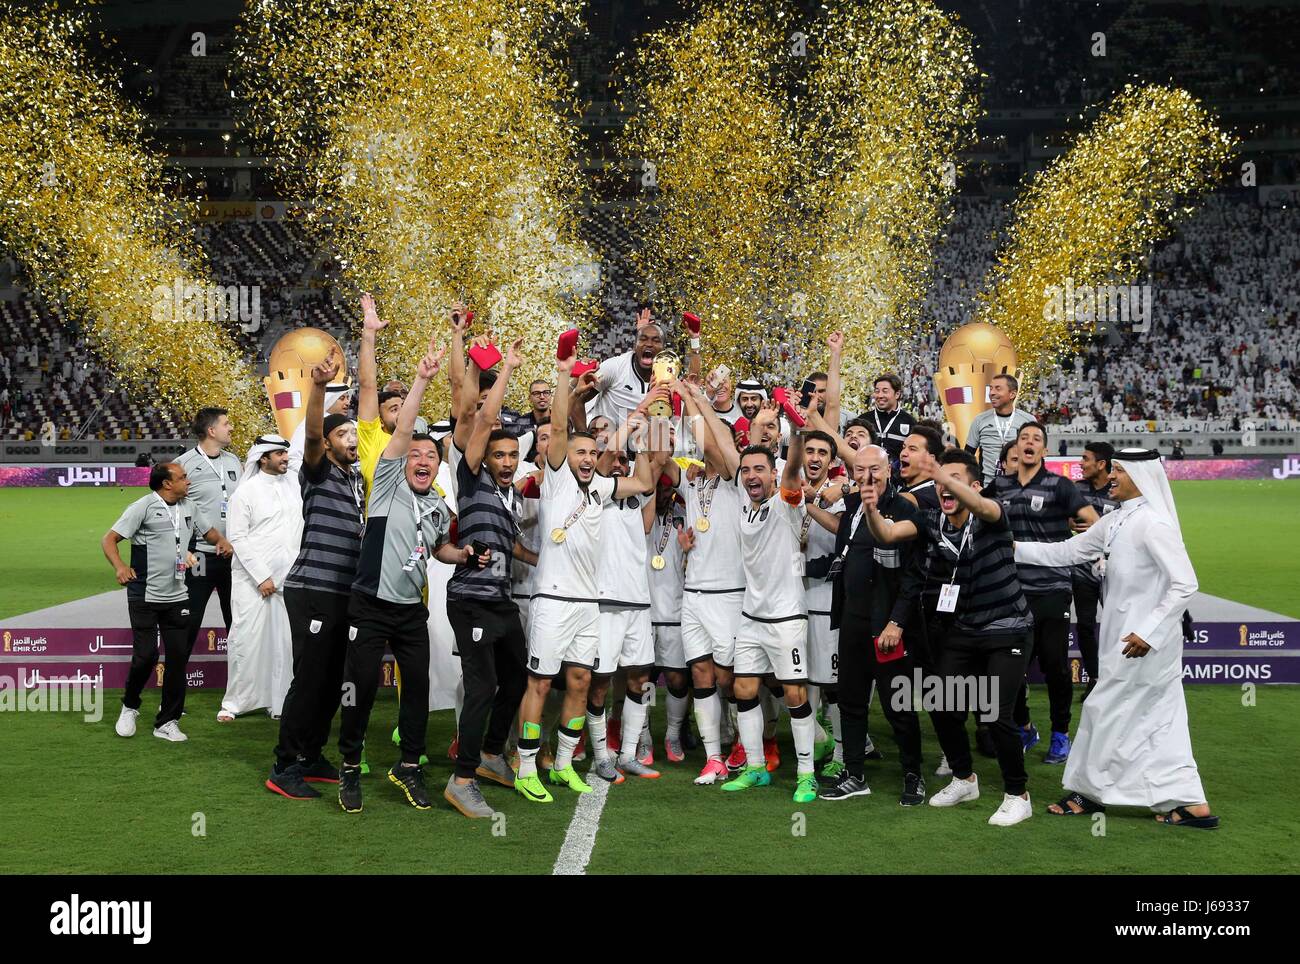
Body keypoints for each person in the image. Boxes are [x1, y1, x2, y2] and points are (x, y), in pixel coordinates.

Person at [1015, 449, 1217, 828]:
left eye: (1119, 471)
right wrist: (1014, 548)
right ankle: (1190, 802)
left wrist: (1150, 632)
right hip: (1130, 640)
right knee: (1162, 719)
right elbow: (1068, 552)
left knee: (1101, 708)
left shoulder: (1153, 524)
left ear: (1140, 477)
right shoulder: (1119, 520)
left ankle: (1088, 793)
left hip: (1142, 644)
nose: (1111, 477)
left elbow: (1185, 583)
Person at [337, 337, 475, 813]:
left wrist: (464, 556)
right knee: (361, 687)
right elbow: (399, 439)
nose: (422, 460)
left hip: (411, 611)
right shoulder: (388, 484)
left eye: (430, 457)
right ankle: (350, 765)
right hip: (370, 605)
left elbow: (438, 550)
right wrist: (421, 381)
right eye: (415, 454)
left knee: (416, 688)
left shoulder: (437, 502)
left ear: (438, 467)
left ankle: (408, 766)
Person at [866, 449, 1036, 827]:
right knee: (940, 703)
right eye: (942, 481)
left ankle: (1018, 795)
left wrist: (940, 475)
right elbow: (890, 533)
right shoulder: (931, 521)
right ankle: (964, 778)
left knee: (996, 713)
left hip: (1008, 628)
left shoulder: (992, 515)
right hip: (964, 630)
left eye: (956, 480)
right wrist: (870, 510)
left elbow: (983, 507)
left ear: (974, 487)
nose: (945, 487)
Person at [514, 347, 655, 804]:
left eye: (593, 452)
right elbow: (558, 427)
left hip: (587, 604)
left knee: (579, 682)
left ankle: (562, 765)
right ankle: (525, 766)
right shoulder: (553, 478)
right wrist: (562, 374)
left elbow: (646, 482)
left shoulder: (602, 487)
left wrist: (652, 419)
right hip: (553, 600)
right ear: (564, 455)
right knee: (538, 683)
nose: (589, 457)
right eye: (581, 451)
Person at [267, 351, 364, 800]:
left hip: (343, 593)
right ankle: (284, 766)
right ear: (327, 445)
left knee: (330, 681)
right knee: (308, 680)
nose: (351, 439)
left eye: (353, 433)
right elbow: (310, 434)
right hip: (313, 590)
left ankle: (311, 754)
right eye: (342, 433)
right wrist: (321, 389)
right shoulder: (319, 472)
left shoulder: (354, 481)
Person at [809, 445, 927, 805]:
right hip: (853, 622)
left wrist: (896, 622)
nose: (867, 477)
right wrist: (805, 504)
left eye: (874, 469)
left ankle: (913, 775)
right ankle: (855, 774)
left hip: (887, 628)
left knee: (898, 706)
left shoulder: (904, 508)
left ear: (888, 470)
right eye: (859, 471)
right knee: (851, 702)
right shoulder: (853, 509)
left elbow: (913, 576)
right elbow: (843, 548)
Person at [444, 337, 531, 819]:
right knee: (481, 688)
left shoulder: (508, 494)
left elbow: (507, 547)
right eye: (499, 455)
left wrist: (538, 557)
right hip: (471, 599)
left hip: (500, 599)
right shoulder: (471, 476)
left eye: (512, 456)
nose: (506, 462)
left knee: (515, 678)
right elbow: (477, 421)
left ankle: (494, 753)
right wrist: (507, 371)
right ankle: (462, 779)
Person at [722, 434, 821, 804]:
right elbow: (726, 453)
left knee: (794, 694)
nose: (751, 475)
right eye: (746, 470)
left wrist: (795, 433)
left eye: (759, 469)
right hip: (752, 615)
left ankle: (807, 775)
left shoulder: (785, 501)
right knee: (743, 690)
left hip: (786, 617)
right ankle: (756, 768)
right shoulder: (744, 505)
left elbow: (793, 467)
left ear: (773, 473)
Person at [992, 422, 1098, 764]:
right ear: (1017, 448)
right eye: (1024, 438)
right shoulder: (1000, 486)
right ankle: (1025, 727)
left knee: (1054, 665)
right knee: (1009, 667)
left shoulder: (1060, 486)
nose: (1029, 443)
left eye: (1036, 439)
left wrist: (1075, 535)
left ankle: (1060, 734)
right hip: (1010, 590)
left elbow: (1093, 522)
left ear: (1044, 451)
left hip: (1052, 588)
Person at [106, 462, 230, 742]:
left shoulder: (190, 506)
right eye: (183, 478)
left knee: (177, 658)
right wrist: (120, 567)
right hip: (144, 594)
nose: (188, 482)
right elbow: (109, 539)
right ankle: (130, 705)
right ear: (166, 484)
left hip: (178, 595)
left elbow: (208, 532)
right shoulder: (143, 507)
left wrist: (220, 540)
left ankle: (167, 721)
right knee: (146, 656)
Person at [669, 379, 746, 785]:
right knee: (700, 673)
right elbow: (664, 461)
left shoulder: (738, 480)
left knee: (727, 678)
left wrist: (697, 400)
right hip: (693, 595)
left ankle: (740, 739)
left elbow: (713, 440)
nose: (708, 446)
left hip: (730, 595)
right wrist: (662, 401)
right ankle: (713, 756)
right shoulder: (693, 479)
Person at [218, 434, 302, 721]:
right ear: (263, 458)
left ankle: (279, 703)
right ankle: (234, 704)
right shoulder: (246, 492)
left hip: (289, 580)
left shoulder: (294, 486)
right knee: (247, 640)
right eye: (279, 454)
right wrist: (261, 576)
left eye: (285, 454)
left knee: (285, 644)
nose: (285, 459)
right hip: (253, 582)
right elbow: (238, 538)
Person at [176, 407, 243, 652]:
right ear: (211, 430)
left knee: (237, 622)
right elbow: (171, 510)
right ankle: (174, 685)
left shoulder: (233, 461)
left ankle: (242, 687)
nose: (232, 427)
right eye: (227, 424)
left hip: (233, 556)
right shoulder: (183, 465)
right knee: (190, 621)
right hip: (200, 556)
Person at [584, 305, 701, 427]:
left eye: (656, 341)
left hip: (641, 442)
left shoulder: (667, 378)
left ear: (663, 349)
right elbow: (577, 399)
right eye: (643, 339)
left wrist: (695, 339)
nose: (649, 344)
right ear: (635, 345)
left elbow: (692, 382)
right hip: (607, 441)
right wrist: (584, 438)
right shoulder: (614, 367)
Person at [1073, 441, 1119, 700]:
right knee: (1085, 626)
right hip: (1082, 571)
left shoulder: (1118, 491)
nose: (1081, 463)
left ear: (1101, 464)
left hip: (1113, 572)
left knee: (1118, 624)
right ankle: (1094, 677)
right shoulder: (1076, 490)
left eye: (1086, 458)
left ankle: (1117, 677)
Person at [965, 373, 1034, 484]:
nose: (992, 393)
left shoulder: (1028, 420)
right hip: (987, 488)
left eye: (998, 389)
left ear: (1012, 394)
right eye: (991, 388)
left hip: (1019, 487)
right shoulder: (980, 420)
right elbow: (967, 456)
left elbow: (1035, 456)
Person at [863, 373, 918, 471]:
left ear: (897, 394)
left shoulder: (910, 422)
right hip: (867, 474)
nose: (880, 395)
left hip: (899, 479)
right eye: (877, 391)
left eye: (885, 391)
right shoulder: (863, 420)